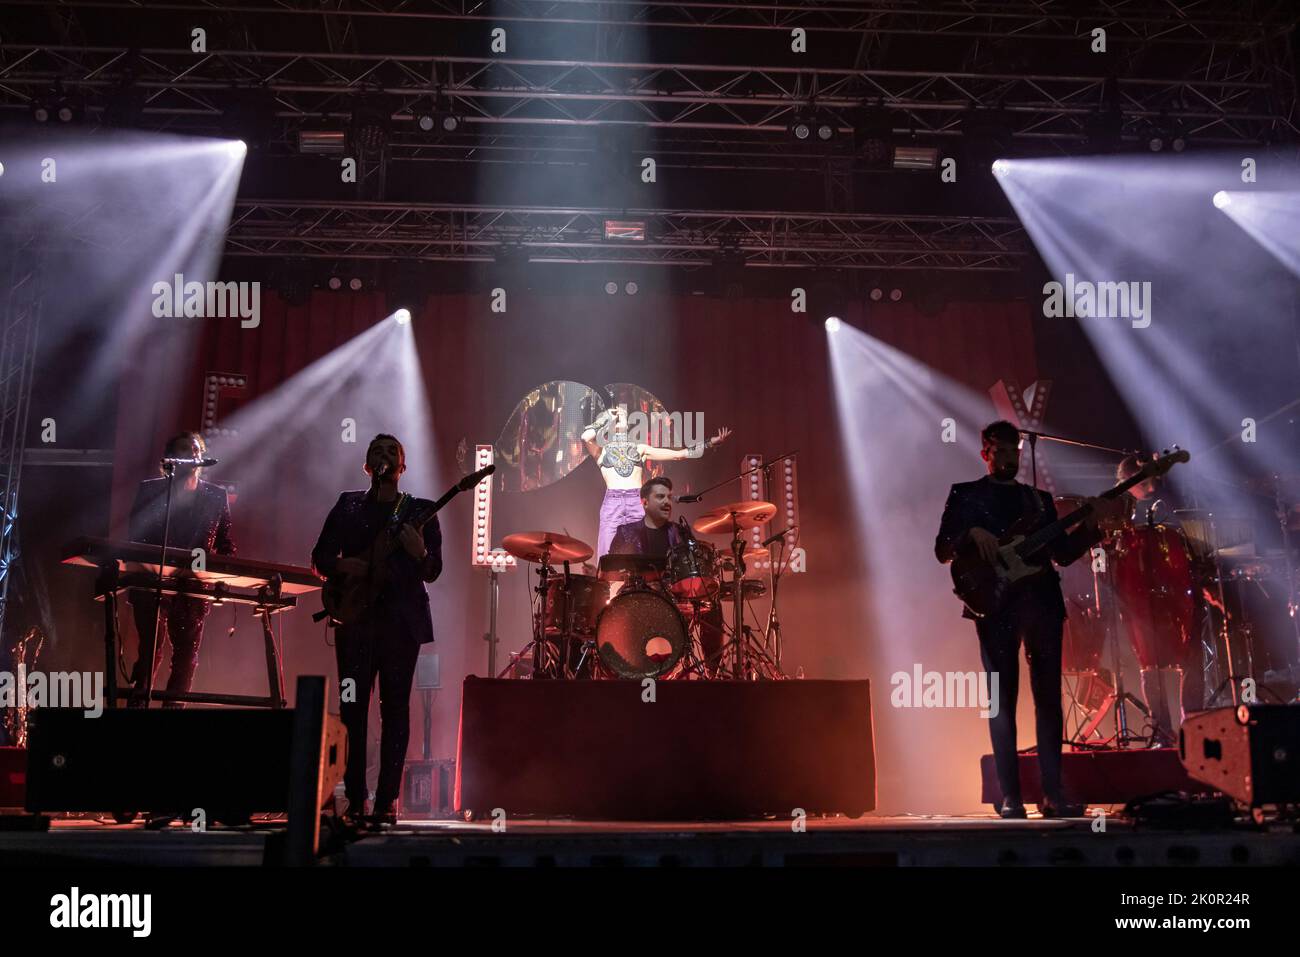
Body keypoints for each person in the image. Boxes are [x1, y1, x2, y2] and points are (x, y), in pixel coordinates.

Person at [935, 420, 1114, 818]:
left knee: (1049, 700)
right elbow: (942, 549)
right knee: (1003, 702)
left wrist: (1094, 524)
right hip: (995, 604)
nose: (1009, 458)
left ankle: (1054, 794)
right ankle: (1011, 796)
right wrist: (970, 535)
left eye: (1014, 451)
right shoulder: (965, 495)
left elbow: (1063, 554)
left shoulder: (1039, 500)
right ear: (985, 453)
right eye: (999, 451)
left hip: (1043, 604)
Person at [311, 434, 443, 826]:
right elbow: (319, 556)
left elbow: (433, 570)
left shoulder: (420, 510)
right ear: (367, 466)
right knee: (352, 710)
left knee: (396, 710)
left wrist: (419, 552)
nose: (384, 457)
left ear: (403, 466)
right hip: (355, 619)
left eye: (392, 452)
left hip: (401, 623)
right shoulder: (348, 503)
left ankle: (386, 800)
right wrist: (341, 566)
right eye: (376, 451)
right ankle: (354, 797)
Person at [128, 431, 235, 707]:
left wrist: (224, 576)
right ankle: (135, 713)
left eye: (195, 451)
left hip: (194, 587)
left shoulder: (215, 496)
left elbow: (224, 543)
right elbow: (135, 535)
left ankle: (172, 720)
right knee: (151, 650)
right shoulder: (151, 491)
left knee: (187, 656)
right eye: (184, 451)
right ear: (171, 458)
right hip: (152, 581)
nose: (191, 456)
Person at [581, 402, 730, 560]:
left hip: (635, 501)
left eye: (622, 415)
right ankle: (607, 584)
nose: (618, 416)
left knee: (642, 551)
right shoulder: (601, 451)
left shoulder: (640, 449)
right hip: (612, 502)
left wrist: (710, 443)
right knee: (606, 554)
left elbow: (679, 454)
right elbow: (585, 436)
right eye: (615, 415)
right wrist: (605, 417)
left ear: (629, 422)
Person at [608, 476, 726, 675]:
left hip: (677, 597)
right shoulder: (626, 531)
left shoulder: (681, 532)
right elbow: (614, 568)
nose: (667, 502)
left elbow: (694, 567)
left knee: (711, 600)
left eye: (669, 497)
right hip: (639, 596)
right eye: (660, 496)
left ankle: (712, 671)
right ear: (644, 502)